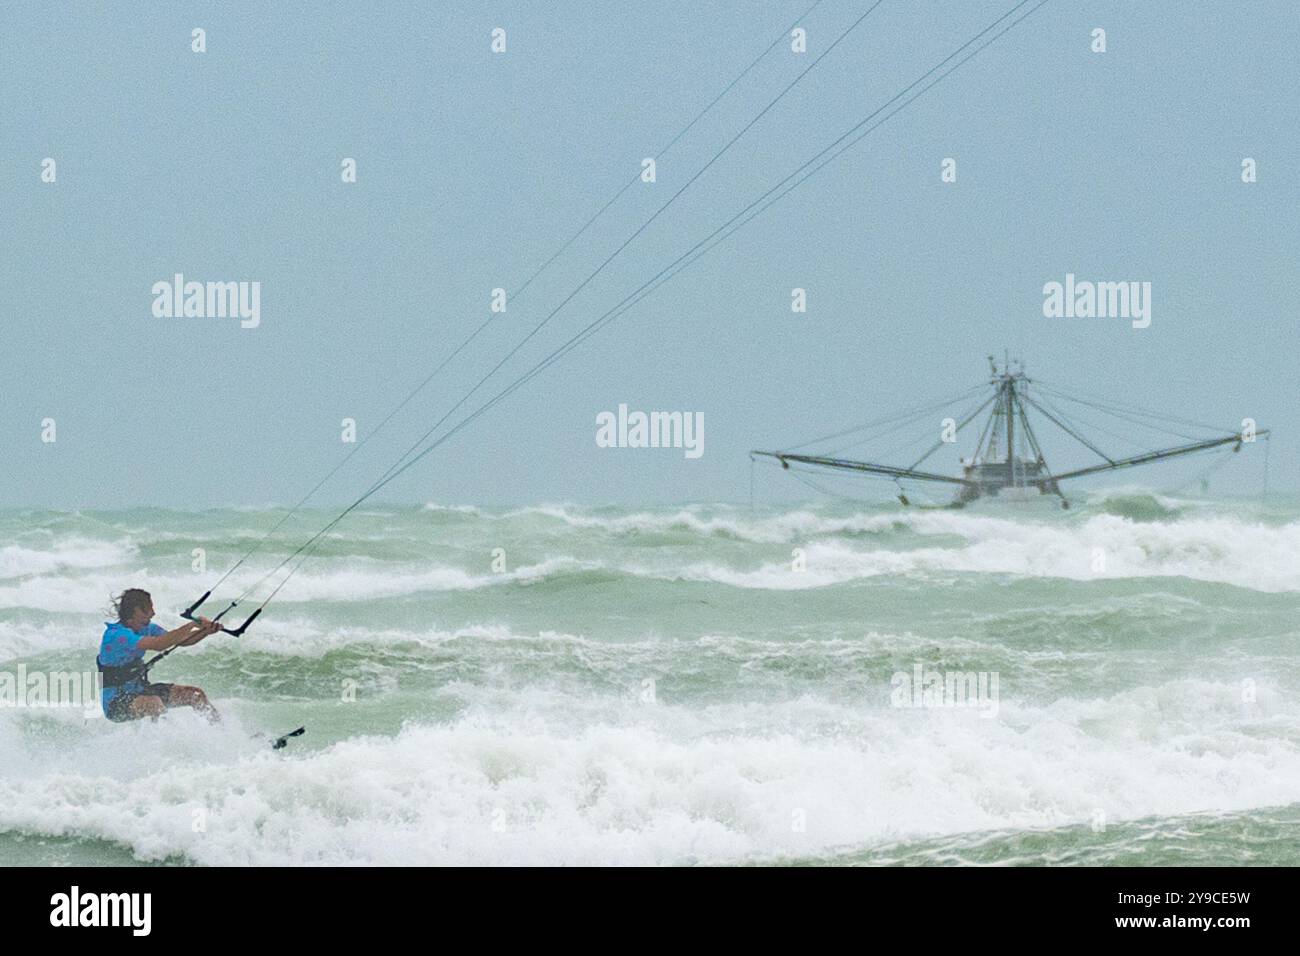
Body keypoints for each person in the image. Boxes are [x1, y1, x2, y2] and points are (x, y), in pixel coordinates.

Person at [98, 588, 222, 722]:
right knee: (154, 704)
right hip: (115, 702)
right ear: (135, 611)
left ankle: (221, 730)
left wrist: (204, 631)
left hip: (140, 690)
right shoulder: (117, 635)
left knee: (195, 695)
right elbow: (160, 644)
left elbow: (179, 641)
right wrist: (193, 623)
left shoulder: (146, 628)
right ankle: (165, 742)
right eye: (147, 608)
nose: (153, 613)